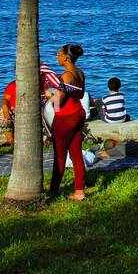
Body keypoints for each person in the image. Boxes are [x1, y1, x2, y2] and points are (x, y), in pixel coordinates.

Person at [47, 43, 87, 201]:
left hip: (65, 117)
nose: (56, 56)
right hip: (78, 113)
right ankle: (79, 191)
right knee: (76, 154)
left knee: (60, 155)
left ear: (65, 57)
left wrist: (50, 95)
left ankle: (53, 190)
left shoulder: (66, 76)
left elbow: (59, 102)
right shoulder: (80, 73)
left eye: (58, 54)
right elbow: (81, 94)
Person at [0, 78, 17, 144]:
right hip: (14, 109)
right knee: (3, 116)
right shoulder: (13, 85)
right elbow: (5, 99)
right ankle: (10, 140)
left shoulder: (40, 84)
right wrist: (4, 106)